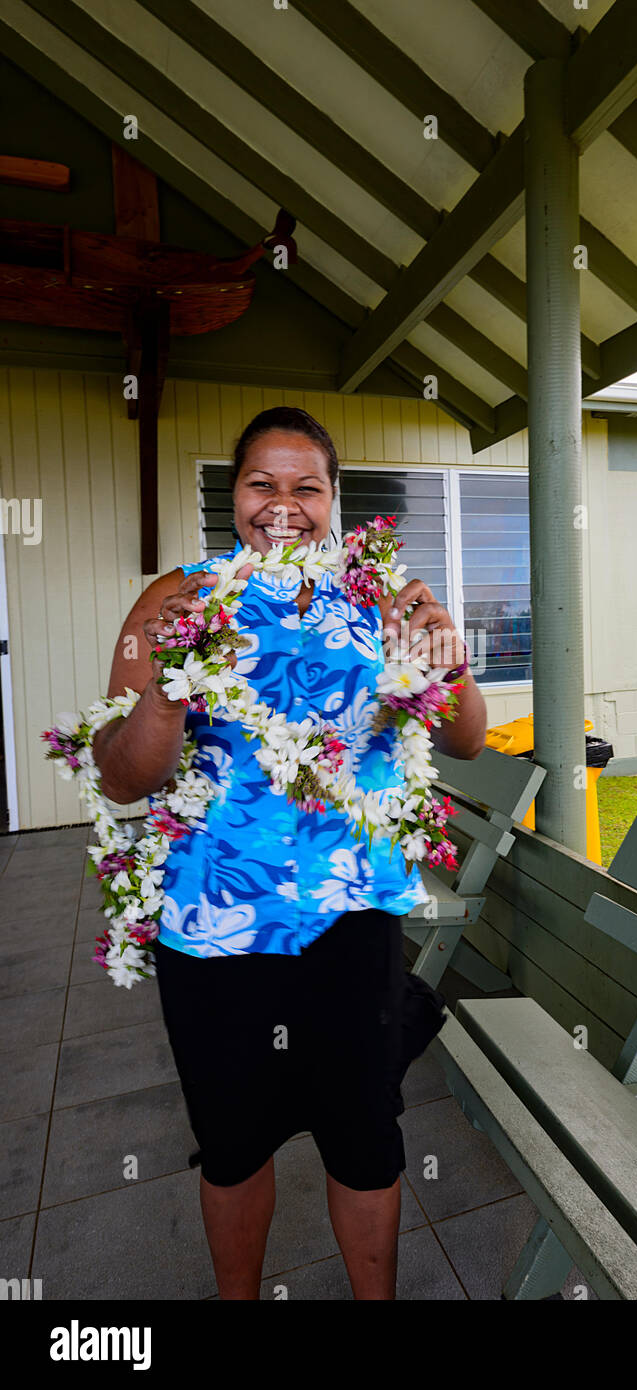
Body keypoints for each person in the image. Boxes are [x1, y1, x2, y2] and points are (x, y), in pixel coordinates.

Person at [92, 407, 487, 1300]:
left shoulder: (379, 594)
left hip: (350, 914)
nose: (283, 505)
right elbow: (122, 777)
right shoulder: (172, 601)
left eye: (305, 486)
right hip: (211, 922)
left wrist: (444, 661)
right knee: (232, 1146)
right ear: (232, 495)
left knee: (364, 1138)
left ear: (333, 498)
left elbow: (465, 739)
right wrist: (166, 680)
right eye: (261, 485)